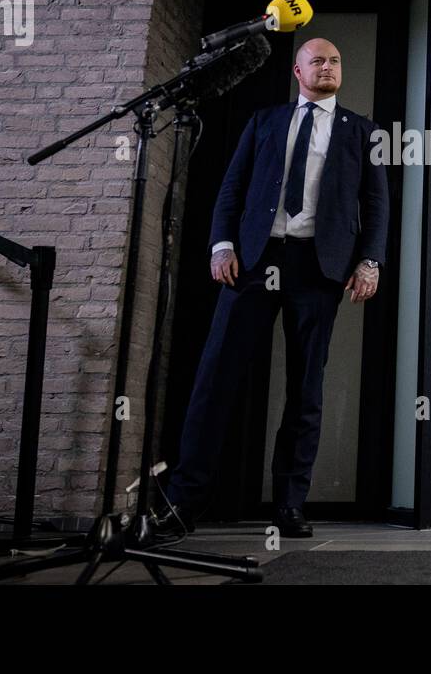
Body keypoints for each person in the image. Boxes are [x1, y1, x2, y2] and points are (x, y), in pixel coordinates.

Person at [156, 38, 388, 538]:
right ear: (298, 71)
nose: (328, 67)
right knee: (215, 378)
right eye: (317, 61)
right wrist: (221, 244)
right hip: (254, 261)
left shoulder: (364, 132)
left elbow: (377, 203)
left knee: (306, 389)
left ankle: (290, 505)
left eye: (335, 60)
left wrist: (370, 260)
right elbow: (232, 186)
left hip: (319, 268)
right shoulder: (264, 121)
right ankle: (183, 501)